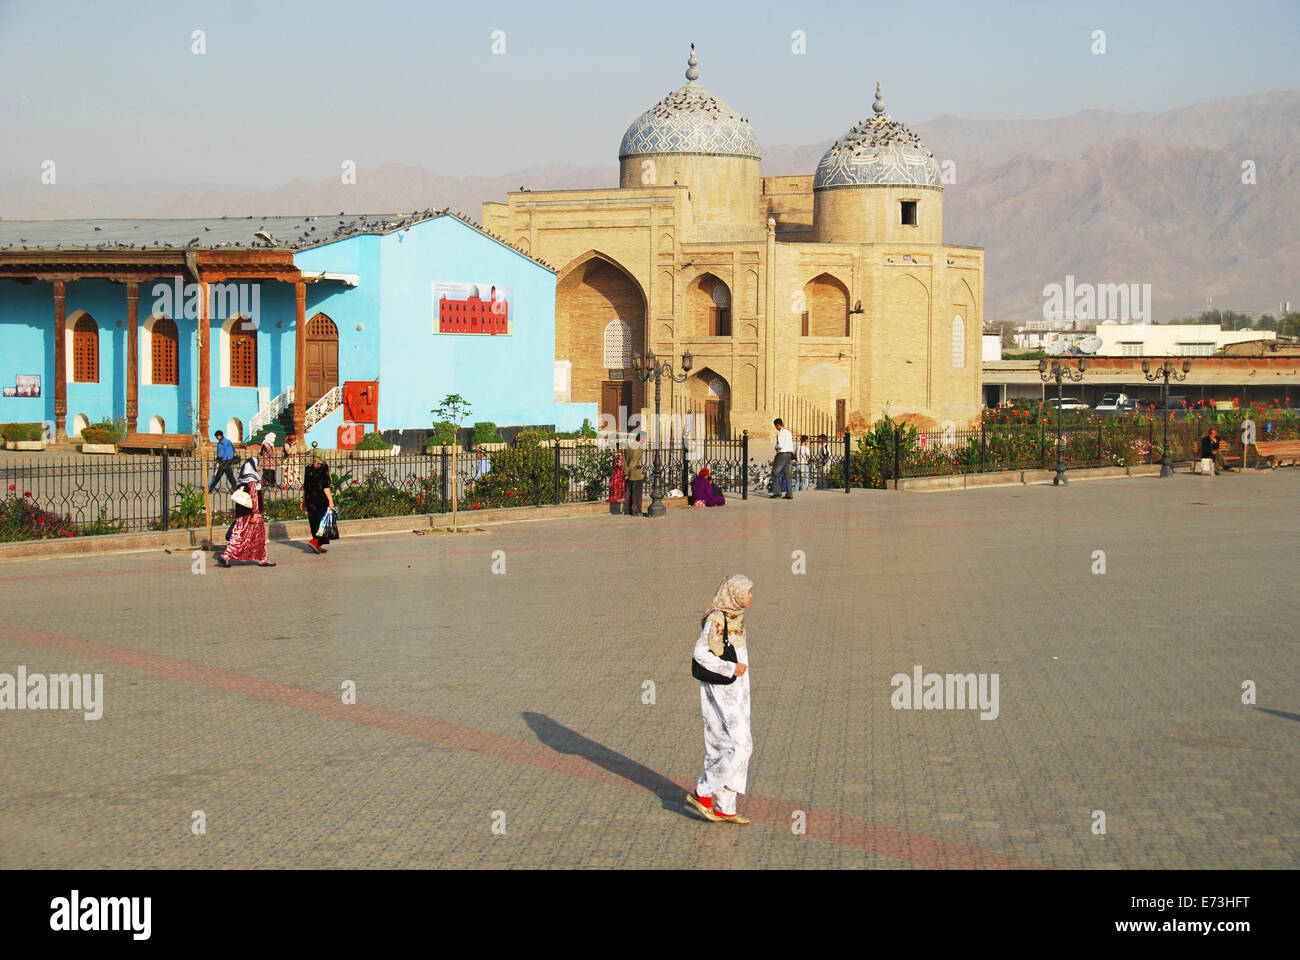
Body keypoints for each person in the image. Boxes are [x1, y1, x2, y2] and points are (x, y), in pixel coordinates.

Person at [686, 573, 755, 825]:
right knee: (741, 746)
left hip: (737, 690)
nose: (751, 596)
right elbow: (699, 654)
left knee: (724, 744)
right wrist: (730, 669)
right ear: (735, 593)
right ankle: (703, 792)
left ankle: (725, 807)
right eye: (747, 592)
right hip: (722, 688)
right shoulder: (717, 619)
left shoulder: (736, 617)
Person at [217, 457, 274, 567]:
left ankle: (263, 558)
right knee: (244, 535)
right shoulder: (251, 479)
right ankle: (226, 556)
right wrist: (256, 512)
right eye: (258, 465)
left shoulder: (242, 479)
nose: (259, 467)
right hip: (250, 513)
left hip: (242, 512)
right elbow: (254, 496)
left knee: (250, 535)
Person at [302, 455, 336, 554]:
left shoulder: (308, 467)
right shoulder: (323, 467)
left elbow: (306, 486)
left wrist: (303, 501)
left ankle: (318, 545)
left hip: (310, 499)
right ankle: (315, 541)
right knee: (323, 521)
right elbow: (325, 486)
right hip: (320, 498)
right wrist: (331, 500)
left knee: (314, 521)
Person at [771, 419, 795, 499]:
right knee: (788, 474)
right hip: (789, 454)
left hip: (782, 454)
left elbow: (780, 445)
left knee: (775, 472)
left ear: (778, 425)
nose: (776, 428)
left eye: (775, 426)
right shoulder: (789, 432)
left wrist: (776, 447)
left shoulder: (781, 433)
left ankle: (777, 492)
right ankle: (789, 493)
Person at [624, 430, 645, 517]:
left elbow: (624, 460)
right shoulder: (638, 447)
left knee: (628, 493)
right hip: (636, 474)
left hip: (627, 474)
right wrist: (629, 471)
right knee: (637, 494)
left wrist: (625, 471)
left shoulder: (628, 446)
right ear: (642, 438)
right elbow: (634, 461)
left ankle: (627, 510)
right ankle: (636, 511)